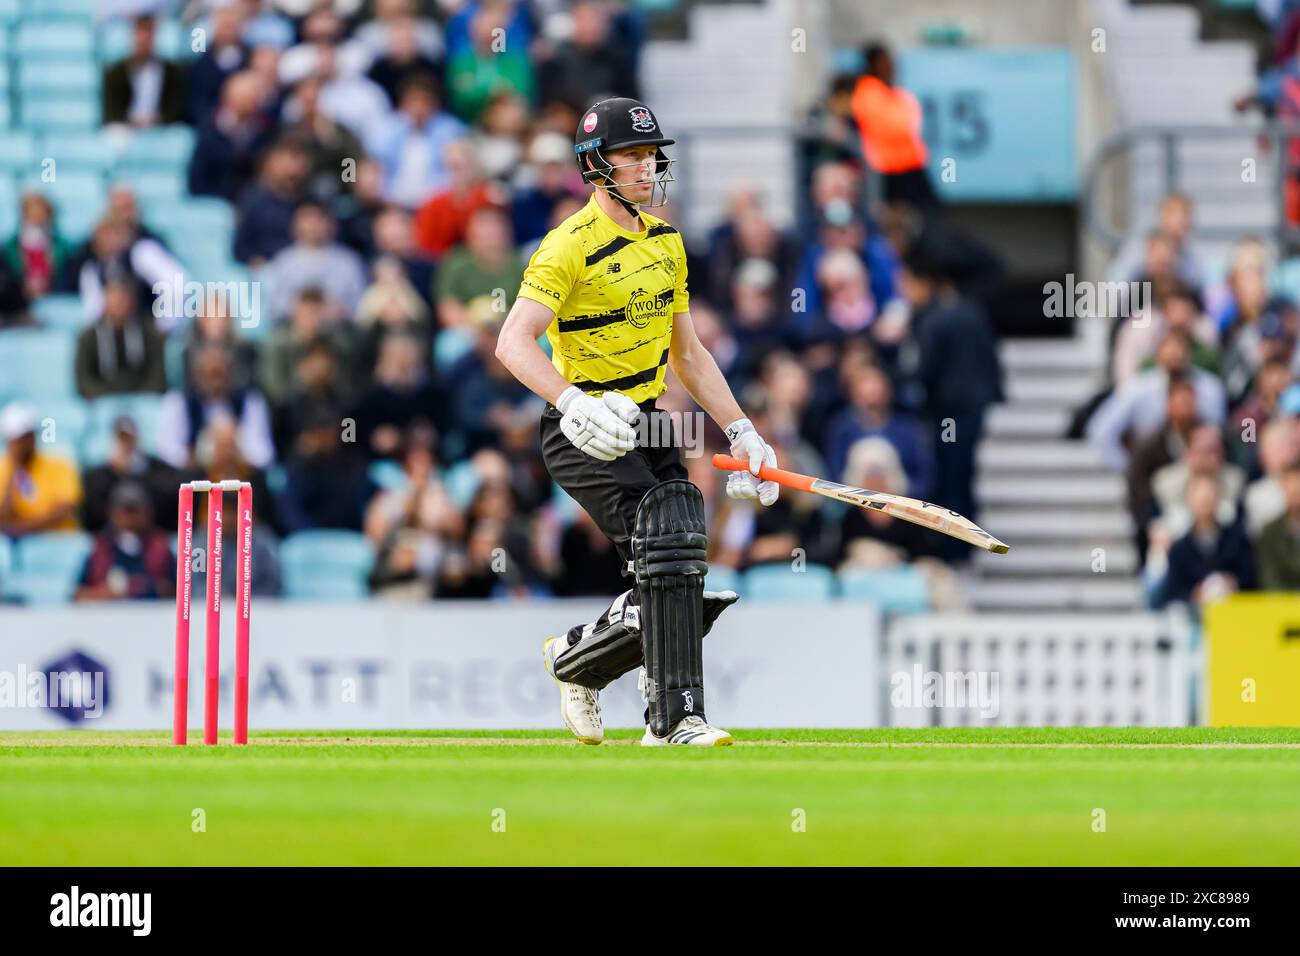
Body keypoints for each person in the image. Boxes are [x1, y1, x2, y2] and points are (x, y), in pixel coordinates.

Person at [495, 97, 780, 747]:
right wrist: (574, 402)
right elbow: (512, 343)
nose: (646, 170)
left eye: (652, 157)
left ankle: (577, 659)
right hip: (582, 423)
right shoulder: (567, 246)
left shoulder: (668, 244)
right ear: (596, 166)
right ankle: (675, 721)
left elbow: (689, 353)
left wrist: (742, 430)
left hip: (650, 418)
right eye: (631, 157)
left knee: (678, 567)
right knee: (670, 560)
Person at [74, 481, 173, 602]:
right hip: (107, 616)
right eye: (125, 511)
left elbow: (177, 591)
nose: (130, 518)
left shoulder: (160, 547)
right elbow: (78, 594)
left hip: (151, 614)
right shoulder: (100, 548)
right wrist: (102, 594)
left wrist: (144, 588)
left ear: (147, 513)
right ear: (112, 513)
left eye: (135, 511)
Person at [0, 402, 82, 538]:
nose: (21, 444)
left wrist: (19, 528)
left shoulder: (59, 464)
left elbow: (64, 510)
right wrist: (14, 469)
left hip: (56, 540)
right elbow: (3, 516)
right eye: (16, 440)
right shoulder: (4, 468)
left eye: (25, 437)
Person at [73, 279, 167, 399]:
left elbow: (157, 377)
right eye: (114, 297)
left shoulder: (151, 336)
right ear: (104, 301)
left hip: (142, 401)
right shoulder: (88, 338)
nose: (118, 304)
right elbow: (83, 380)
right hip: (102, 401)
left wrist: (139, 398)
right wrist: (107, 399)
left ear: (132, 302)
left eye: (123, 299)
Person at [102, 15, 187, 128]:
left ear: (154, 38)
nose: (143, 41)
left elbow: (176, 109)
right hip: (125, 129)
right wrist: (132, 121)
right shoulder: (115, 73)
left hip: (161, 128)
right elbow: (111, 112)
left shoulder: (171, 71)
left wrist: (156, 119)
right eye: (140, 36)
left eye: (147, 36)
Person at [1255, 464, 1300, 590]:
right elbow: (1269, 578)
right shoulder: (1270, 532)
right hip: (1283, 605)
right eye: (1292, 489)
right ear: (1283, 489)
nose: (1296, 493)